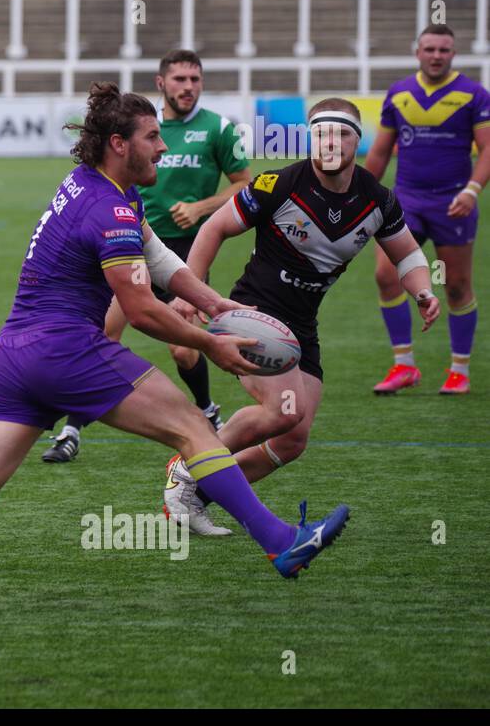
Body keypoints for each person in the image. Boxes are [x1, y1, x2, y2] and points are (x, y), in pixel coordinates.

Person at [0, 83, 350, 598]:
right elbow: (139, 312)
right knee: (192, 428)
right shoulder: (108, 209)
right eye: (152, 137)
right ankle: (282, 542)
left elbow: (157, 258)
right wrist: (212, 344)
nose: (163, 146)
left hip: (16, 354)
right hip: (67, 350)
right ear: (118, 144)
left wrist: (218, 306)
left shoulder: (102, 189)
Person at [162, 98, 441, 534]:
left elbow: (407, 255)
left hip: (303, 327)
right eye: (322, 133)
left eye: (342, 133)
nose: (331, 143)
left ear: (357, 139)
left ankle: (195, 494)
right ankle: (188, 464)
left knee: (293, 439)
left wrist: (422, 289)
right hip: (253, 314)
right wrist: (192, 292)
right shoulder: (279, 184)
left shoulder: (377, 200)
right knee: (282, 412)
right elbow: (214, 226)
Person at [43, 49, 250, 465]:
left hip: (189, 251)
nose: (188, 87)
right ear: (161, 84)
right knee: (103, 335)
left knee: (181, 348)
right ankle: (71, 430)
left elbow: (244, 185)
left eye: (195, 79)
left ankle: (206, 410)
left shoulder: (219, 129)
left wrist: (200, 208)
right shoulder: (137, 129)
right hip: (124, 248)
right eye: (179, 79)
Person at [366, 24, 490, 396]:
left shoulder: (474, 94)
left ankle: (459, 370)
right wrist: (359, 194)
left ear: (453, 54)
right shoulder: (399, 93)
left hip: (453, 203)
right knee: (387, 277)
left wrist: (472, 190)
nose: (437, 55)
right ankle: (404, 365)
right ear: (417, 51)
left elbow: (487, 149)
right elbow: (380, 151)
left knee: (456, 286)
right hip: (405, 202)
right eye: (430, 48)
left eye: (444, 50)